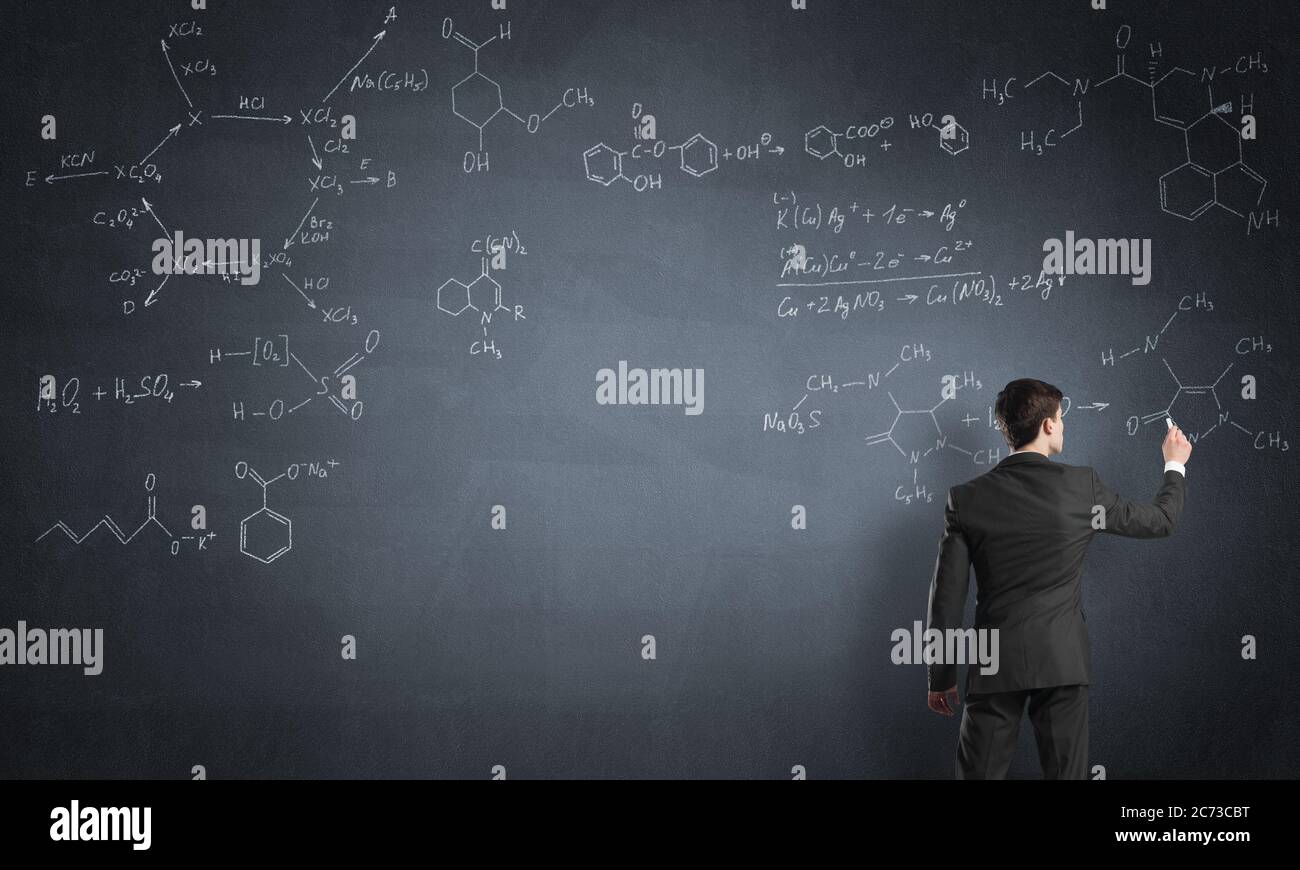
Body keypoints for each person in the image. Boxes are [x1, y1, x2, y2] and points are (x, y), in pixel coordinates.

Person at [924, 378, 1191, 779]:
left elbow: (947, 598)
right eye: (1061, 419)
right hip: (1063, 663)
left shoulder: (966, 499)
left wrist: (941, 675)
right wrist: (1175, 464)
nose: (1063, 426)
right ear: (1048, 425)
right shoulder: (1082, 487)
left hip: (994, 664)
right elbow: (1161, 521)